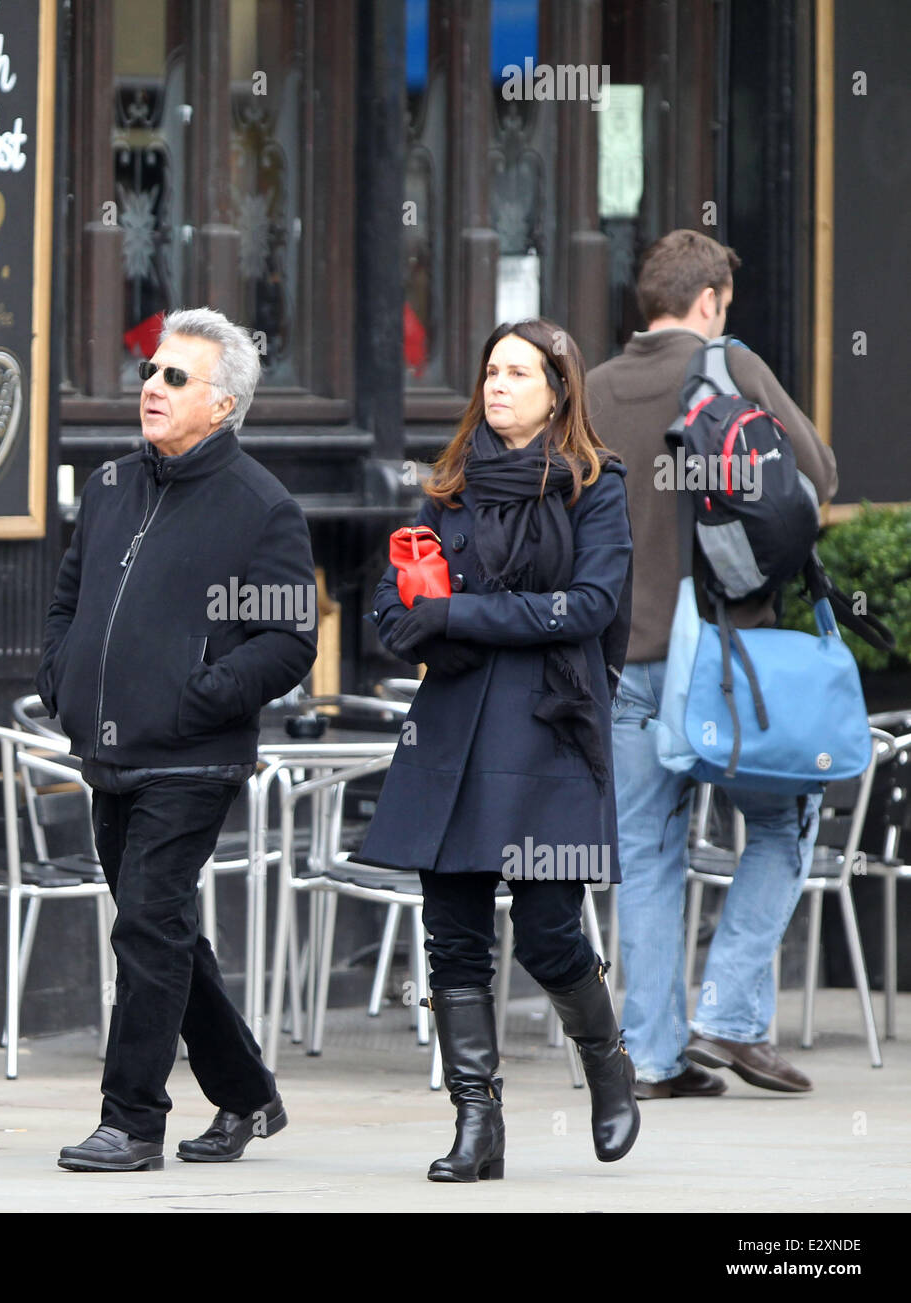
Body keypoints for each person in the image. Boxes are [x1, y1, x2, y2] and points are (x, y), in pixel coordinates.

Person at [37, 307, 317, 1171]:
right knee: (162, 930)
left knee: (147, 925)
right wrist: (63, 680)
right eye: (152, 372)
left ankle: (131, 1120)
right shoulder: (112, 486)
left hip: (193, 757)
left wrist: (205, 694)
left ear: (223, 405)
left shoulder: (262, 506)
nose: (152, 388)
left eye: (175, 378)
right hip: (109, 751)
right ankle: (245, 1093)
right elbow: (67, 601)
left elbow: (289, 639)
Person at [360, 318, 639, 1181]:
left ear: (560, 390)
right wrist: (408, 617)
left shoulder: (597, 484)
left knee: (552, 933)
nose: (498, 385)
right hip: (452, 728)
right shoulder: (450, 487)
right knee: (453, 937)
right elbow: (394, 593)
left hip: (553, 728)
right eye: (489, 371)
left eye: (519, 372)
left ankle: (607, 1061)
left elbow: (588, 606)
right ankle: (477, 1122)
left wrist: (455, 615)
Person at [586, 230, 839, 1098]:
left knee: (647, 856)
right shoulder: (731, 366)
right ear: (708, 302)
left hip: (623, 661)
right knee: (784, 821)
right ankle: (729, 1015)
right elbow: (819, 474)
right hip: (728, 661)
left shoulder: (590, 389)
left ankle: (651, 1059)